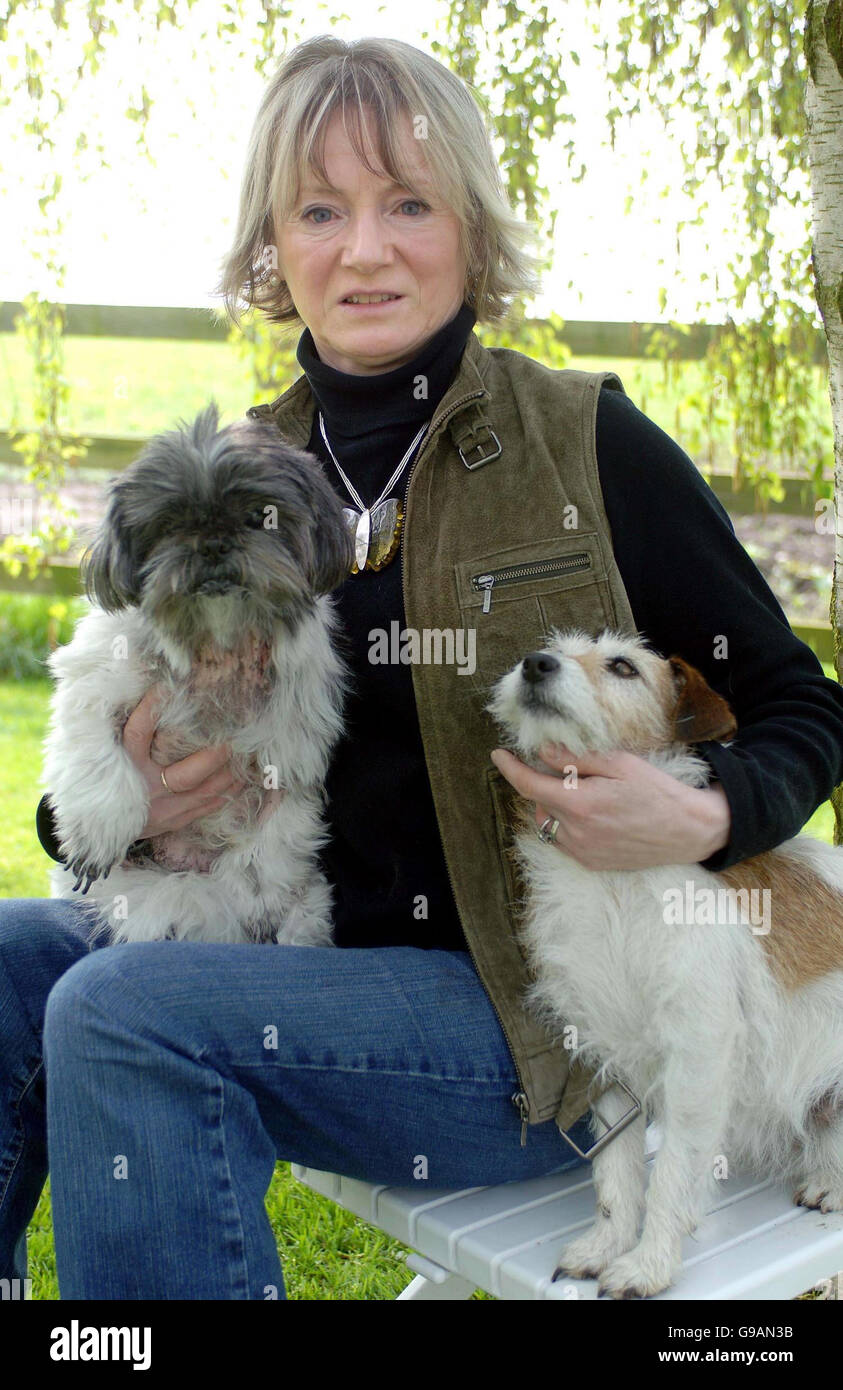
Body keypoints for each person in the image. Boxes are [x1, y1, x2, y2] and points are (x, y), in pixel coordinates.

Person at [5, 33, 843, 1301]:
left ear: (470, 228)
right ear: (272, 246)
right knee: (15, 961)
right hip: (285, 950)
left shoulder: (586, 443)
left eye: (409, 202)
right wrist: (107, 812)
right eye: (321, 209)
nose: (366, 247)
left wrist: (706, 806)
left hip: (523, 1020)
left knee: (123, 1010)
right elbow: (90, 786)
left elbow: (801, 707)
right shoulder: (247, 474)